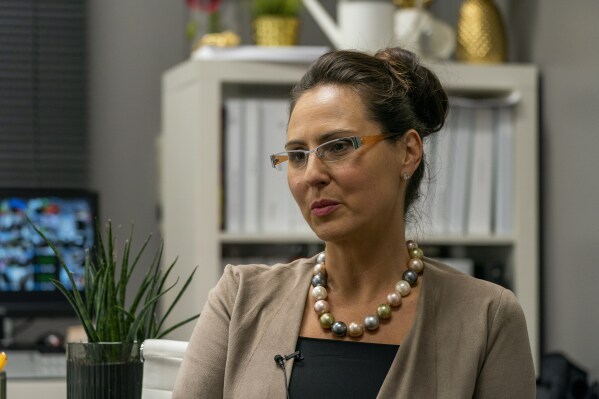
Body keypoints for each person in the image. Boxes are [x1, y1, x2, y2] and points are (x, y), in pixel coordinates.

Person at [172, 47, 536, 398]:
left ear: (408, 152)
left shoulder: (487, 318)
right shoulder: (239, 300)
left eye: (339, 146)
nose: (311, 174)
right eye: (297, 155)